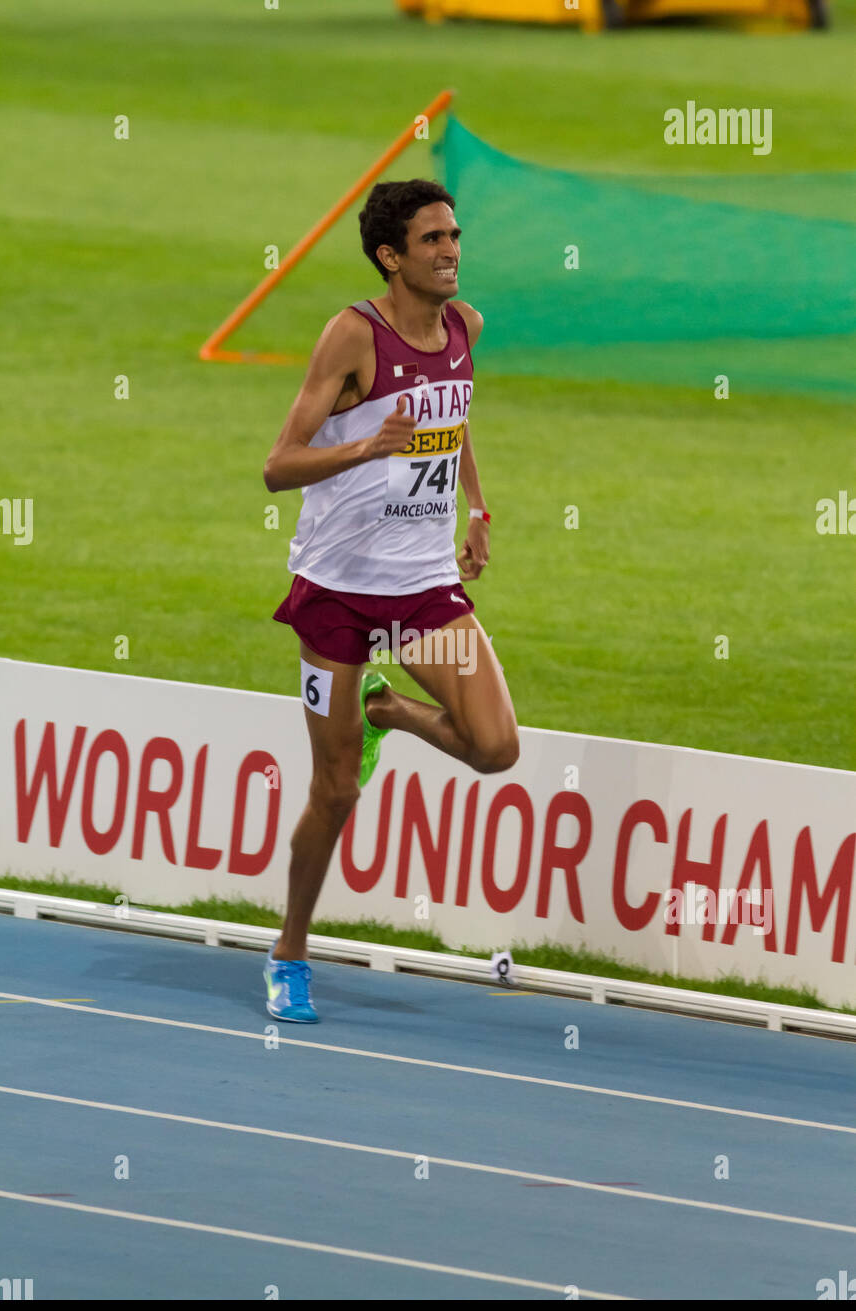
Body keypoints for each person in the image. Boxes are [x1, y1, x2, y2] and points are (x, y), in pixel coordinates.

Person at [262, 179, 519, 1022]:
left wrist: (475, 507)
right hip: (338, 597)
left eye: (454, 235)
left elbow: (456, 417)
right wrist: (368, 444)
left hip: (421, 597)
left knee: (495, 747)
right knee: (334, 791)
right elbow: (278, 466)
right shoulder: (351, 337)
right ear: (390, 256)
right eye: (433, 239)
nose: (451, 250)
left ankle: (390, 711)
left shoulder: (464, 327)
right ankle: (290, 953)